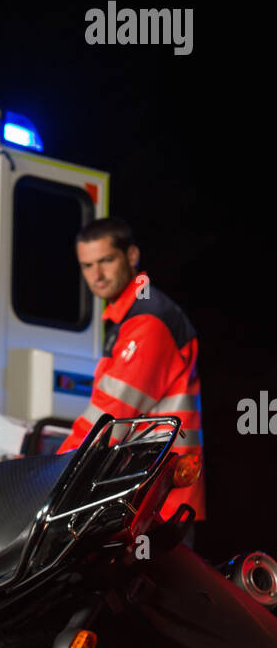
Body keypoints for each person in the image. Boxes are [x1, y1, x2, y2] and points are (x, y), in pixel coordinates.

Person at [57, 217, 204, 537]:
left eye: (106, 261)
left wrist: (52, 472)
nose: (96, 275)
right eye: (87, 265)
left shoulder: (149, 320)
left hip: (159, 497)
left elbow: (110, 418)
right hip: (153, 491)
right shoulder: (132, 317)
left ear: (132, 256)